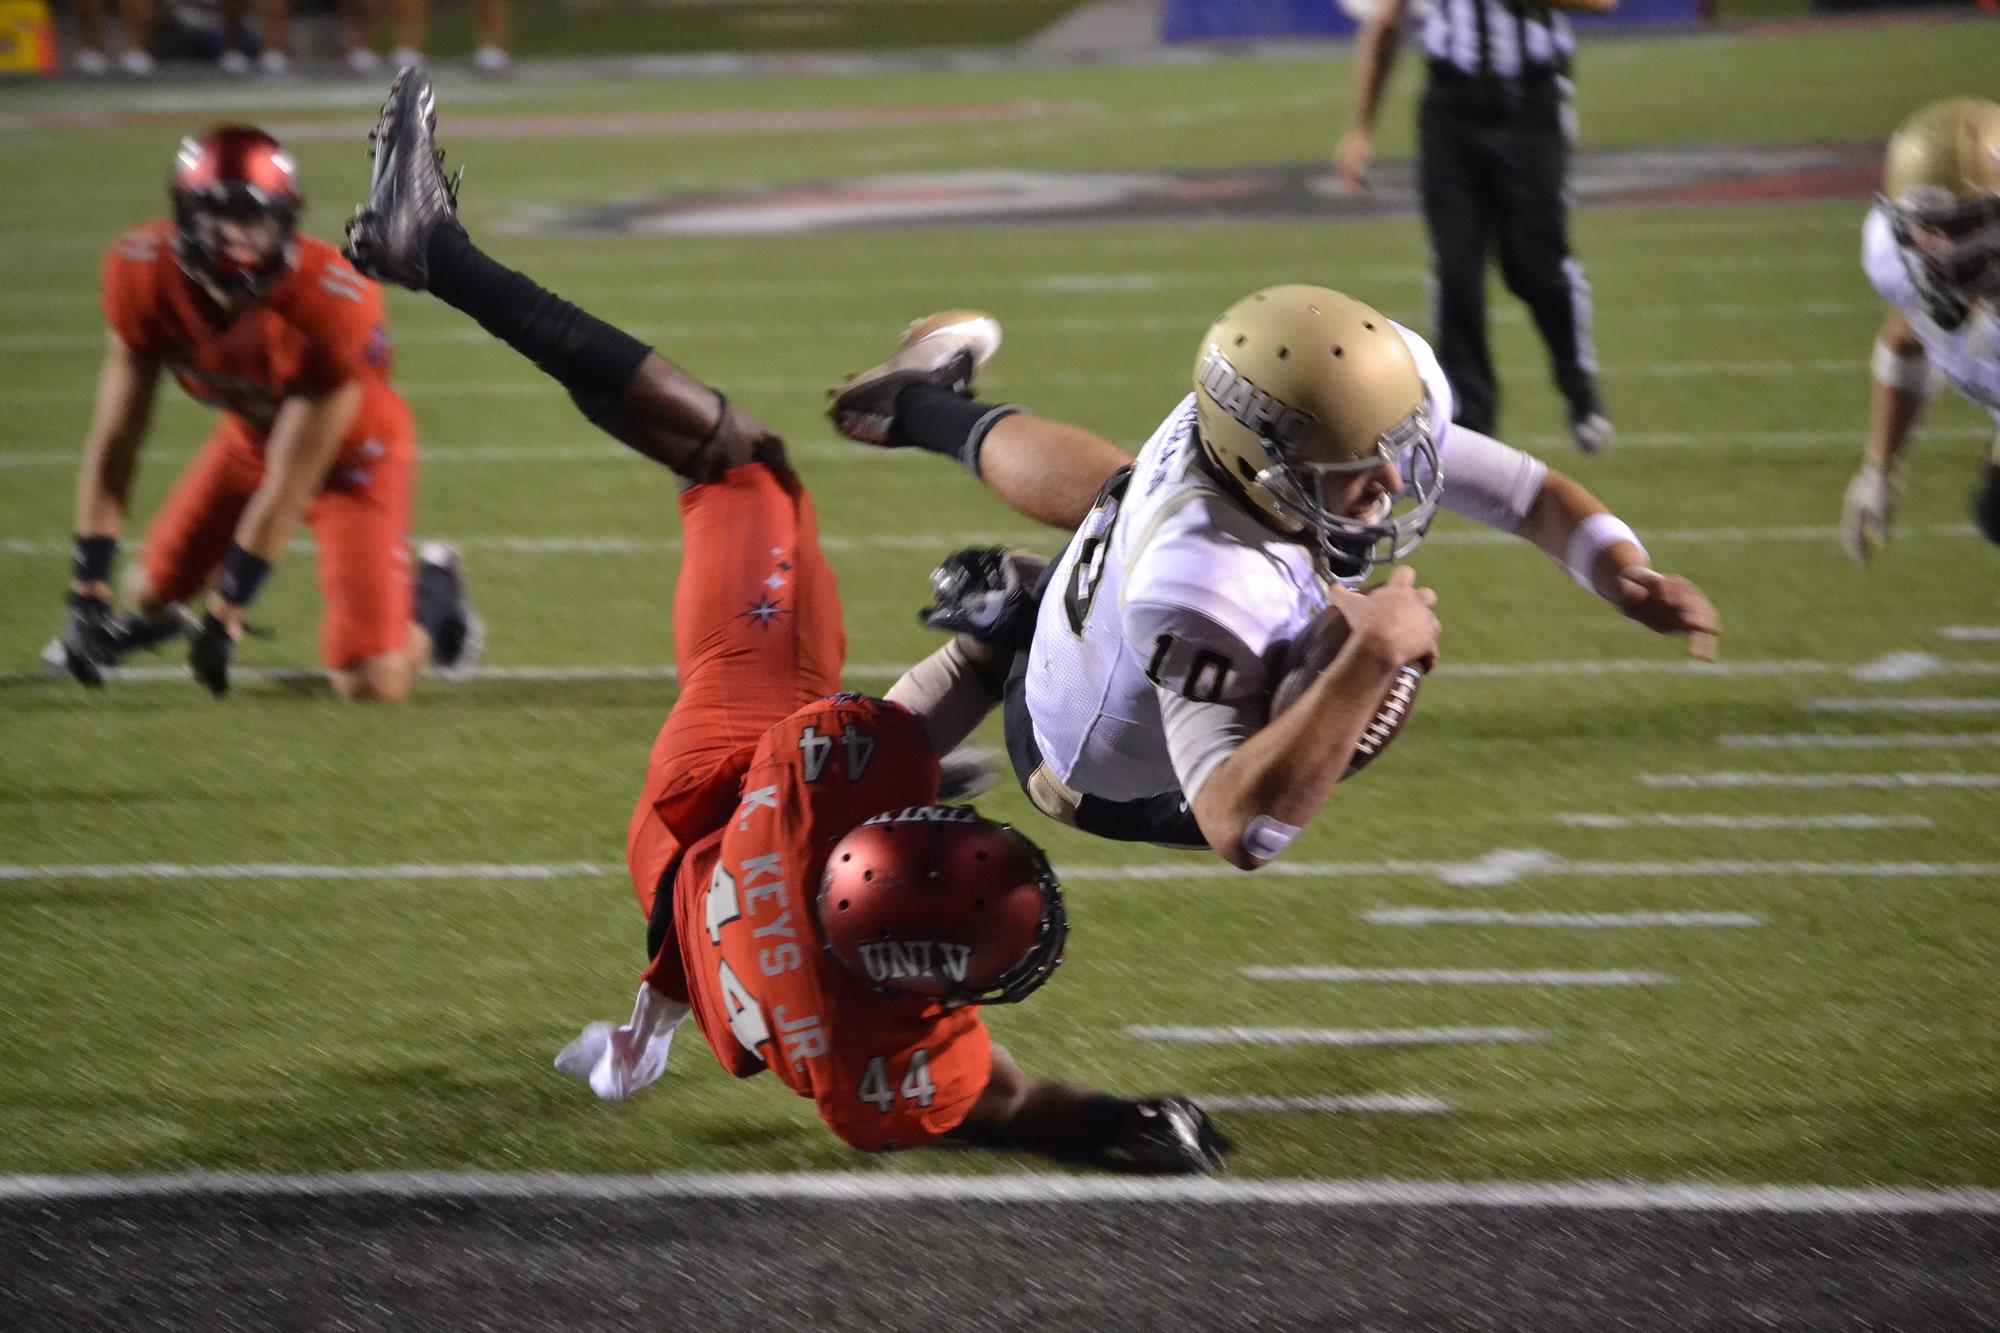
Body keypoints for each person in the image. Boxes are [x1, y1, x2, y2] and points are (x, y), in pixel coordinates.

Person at [340, 69, 1229, 1172]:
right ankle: (923, 426)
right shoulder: (867, 1061)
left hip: (722, 790)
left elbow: (899, 726)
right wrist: (1112, 1127)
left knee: (741, 469)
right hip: (684, 885)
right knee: (829, 600)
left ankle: (437, 255)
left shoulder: (818, 820)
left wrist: (999, 631)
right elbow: (991, 1107)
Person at [828, 294, 1719, 869]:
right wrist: (1372, 656)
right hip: (1089, 772)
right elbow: (1239, 826)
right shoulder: (1202, 585)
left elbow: (1529, 493)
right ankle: (869, 763)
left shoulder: (1292, 406)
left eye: (1395, 454)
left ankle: (916, 407)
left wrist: (1622, 571)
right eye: (1361, 473)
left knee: (1130, 488)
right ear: (1270, 469)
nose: (1398, 486)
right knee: (1327, 659)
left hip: (1124, 594)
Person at [61, 125, 480, 701]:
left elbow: (287, 488)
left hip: (352, 460)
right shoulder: (143, 275)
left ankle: (436, 591)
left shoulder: (330, 303)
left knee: (369, 681)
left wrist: (229, 608)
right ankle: (162, 607)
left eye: (253, 219)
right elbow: (115, 444)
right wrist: (87, 591)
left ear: (284, 222)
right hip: (250, 441)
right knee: (149, 593)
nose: (236, 238)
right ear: (185, 215)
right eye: (218, 217)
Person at [1337, 0, 1617, 453]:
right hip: (1450, 106)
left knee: (1536, 267)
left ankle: (1577, 383)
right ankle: (1470, 426)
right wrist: (1360, 130)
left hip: (1530, 102)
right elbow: (1388, 20)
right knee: (1456, 271)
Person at [1842, 96, 2000, 566]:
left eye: (1968, 224)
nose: (1947, 248)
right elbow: (1908, 338)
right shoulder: (1894, 257)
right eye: (1931, 226)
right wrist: (1880, 471)